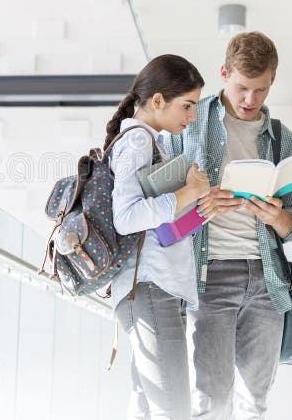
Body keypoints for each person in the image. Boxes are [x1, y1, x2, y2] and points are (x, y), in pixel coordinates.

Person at [165, 32, 292, 419]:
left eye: (260, 90)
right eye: (242, 87)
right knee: (211, 399)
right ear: (224, 73)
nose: (250, 100)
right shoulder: (188, 126)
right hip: (210, 278)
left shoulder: (284, 142)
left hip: (267, 280)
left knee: (254, 401)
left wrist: (278, 216)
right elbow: (160, 216)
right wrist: (199, 206)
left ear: (272, 81)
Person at [107, 54, 210, 420]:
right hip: (150, 286)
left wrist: (200, 209)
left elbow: (160, 233)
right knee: (173, 409)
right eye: (187, 105)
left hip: (154, 286)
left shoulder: (150, 142)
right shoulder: (137, 142)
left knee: (150, 407)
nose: (192, 116)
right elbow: (127, 217)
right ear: (157, 101)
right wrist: (189, 193)